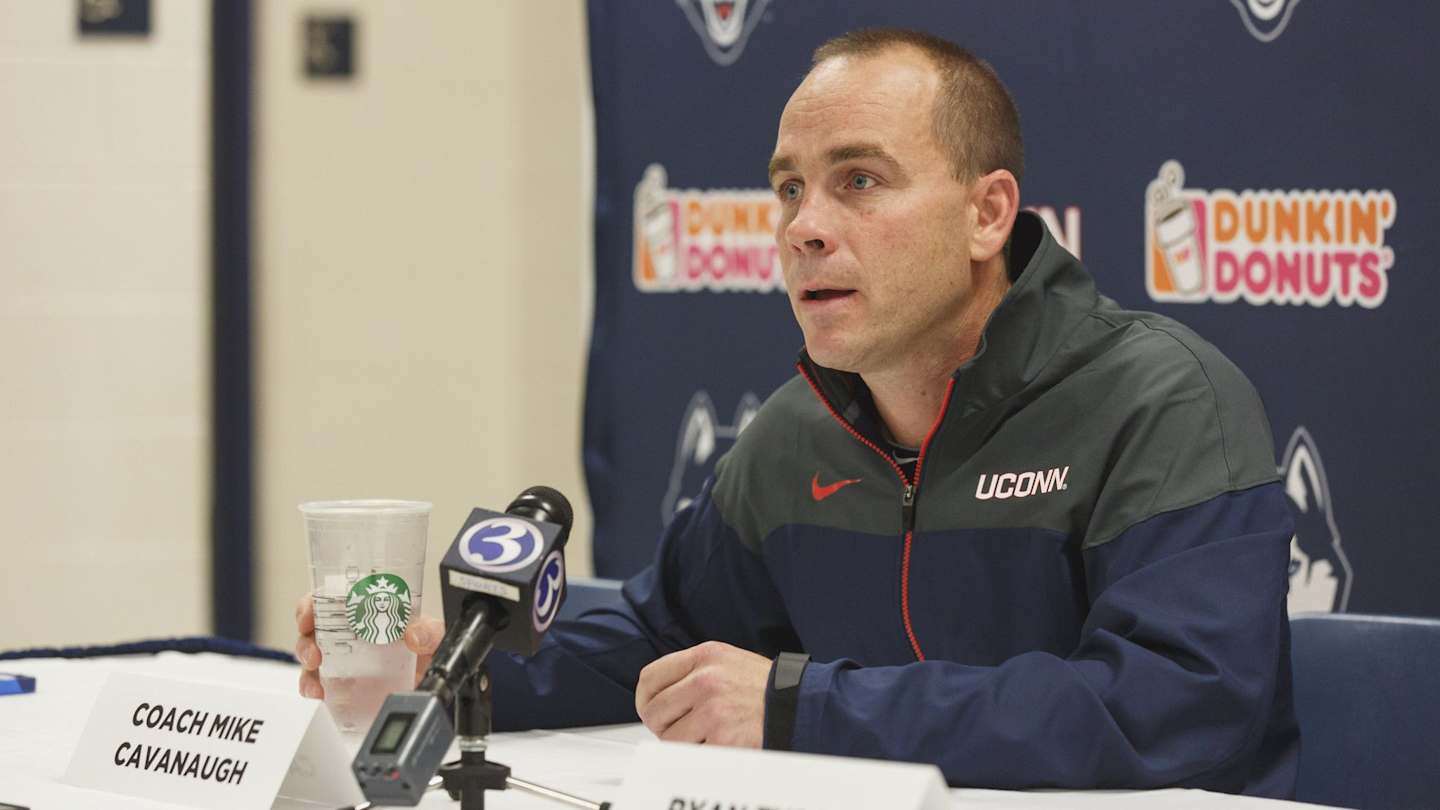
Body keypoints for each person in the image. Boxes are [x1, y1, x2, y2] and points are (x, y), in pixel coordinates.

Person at [296, 28, 1297, 796]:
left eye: (858, 182)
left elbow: (1178, 710)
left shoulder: (1161, 403)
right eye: (789, 190)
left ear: (989, 213)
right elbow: (659, 641)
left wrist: (799, 706)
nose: (805, 229)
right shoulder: (793, 435)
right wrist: (453, 667)